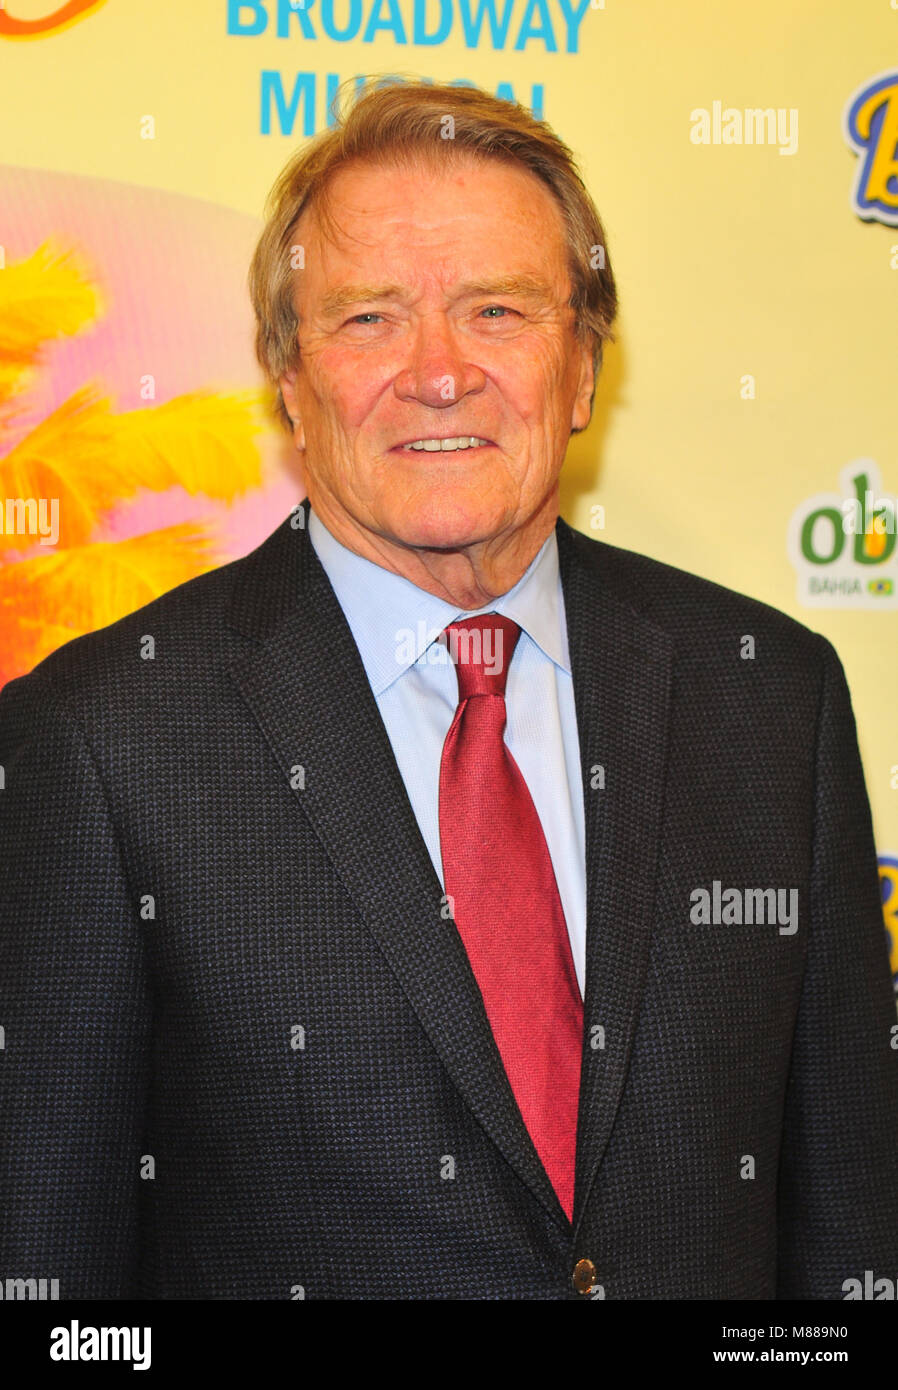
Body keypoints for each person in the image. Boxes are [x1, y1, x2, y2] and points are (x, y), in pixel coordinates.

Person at [1, 79, 896, 1302]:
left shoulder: (772, 700)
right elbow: (48, 1280)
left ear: (582, 368)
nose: (439, 371)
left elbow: (853, 1224)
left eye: (498, 310)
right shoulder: (99, 739)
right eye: (369, 318)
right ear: (287, 381)